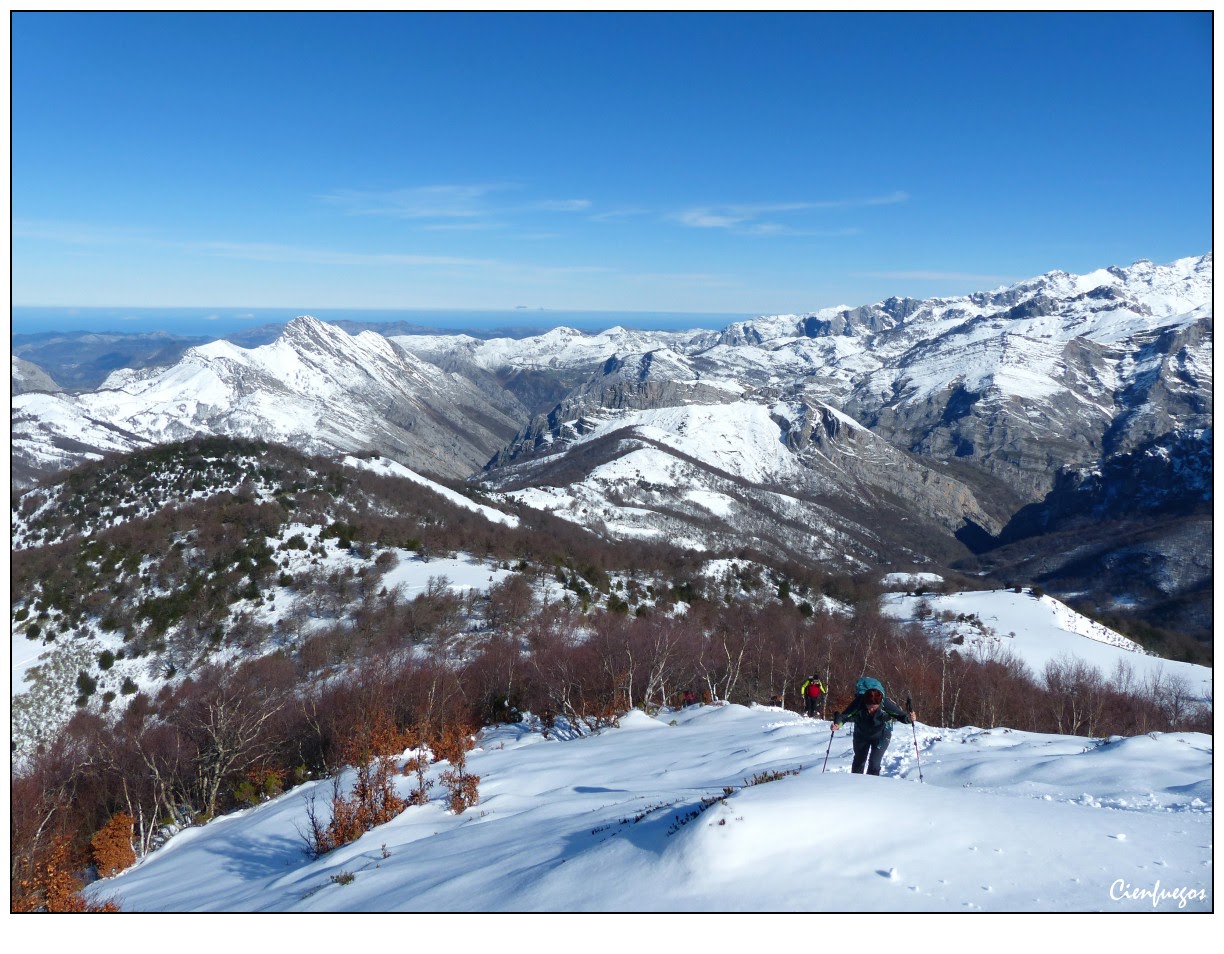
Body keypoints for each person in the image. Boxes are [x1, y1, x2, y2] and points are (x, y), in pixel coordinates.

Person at [833, 686, 916, 776]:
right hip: (861, 734)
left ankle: (871, 786)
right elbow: (845, 716)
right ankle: (855, 785)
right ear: (865, 703)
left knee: (874, 763)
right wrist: (837, 724)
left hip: (881, 735)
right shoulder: (859, 702)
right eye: (869, 707)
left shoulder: (885, 703)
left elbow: (901, 715)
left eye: (875, 708)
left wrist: (910, 719)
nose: (871, 710)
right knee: (859, 760)